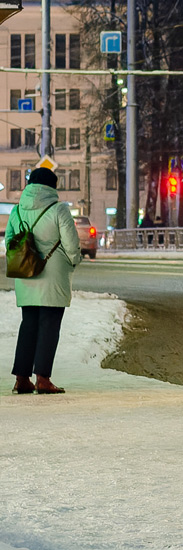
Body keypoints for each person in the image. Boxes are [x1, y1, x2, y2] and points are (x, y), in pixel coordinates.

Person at [8, 167, 82, 395]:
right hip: (53, 274)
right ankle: (43, 379)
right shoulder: (59, 209)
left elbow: (10, 241)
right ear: (52, 186)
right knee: (49, 326)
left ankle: (22, 378)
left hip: (26, 272)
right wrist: (74, 260)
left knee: (28, 324)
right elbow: (70, 242)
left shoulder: (17, 209)